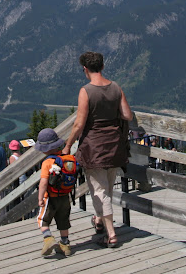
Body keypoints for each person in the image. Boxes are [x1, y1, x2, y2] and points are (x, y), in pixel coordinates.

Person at [63, 51, 133, 248]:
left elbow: (78, 124)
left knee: (99, 191)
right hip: (114, 146)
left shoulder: (86, 91)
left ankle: (111, 234)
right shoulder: (116, 88)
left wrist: (68, 145)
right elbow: (127, 115)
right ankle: (100, 220)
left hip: (94, 147)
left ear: (85, 69)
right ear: (102, 66)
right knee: (107, 188)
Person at [35, 128, 75, 257]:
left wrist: (40, 198)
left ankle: (48, 239)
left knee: (43, 221)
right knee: (63, 221)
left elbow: (43, 183)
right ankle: (66, 245)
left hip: (51, 198)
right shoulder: (68, 159)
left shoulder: (47, 162)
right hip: (65, 196)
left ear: (44, 149)